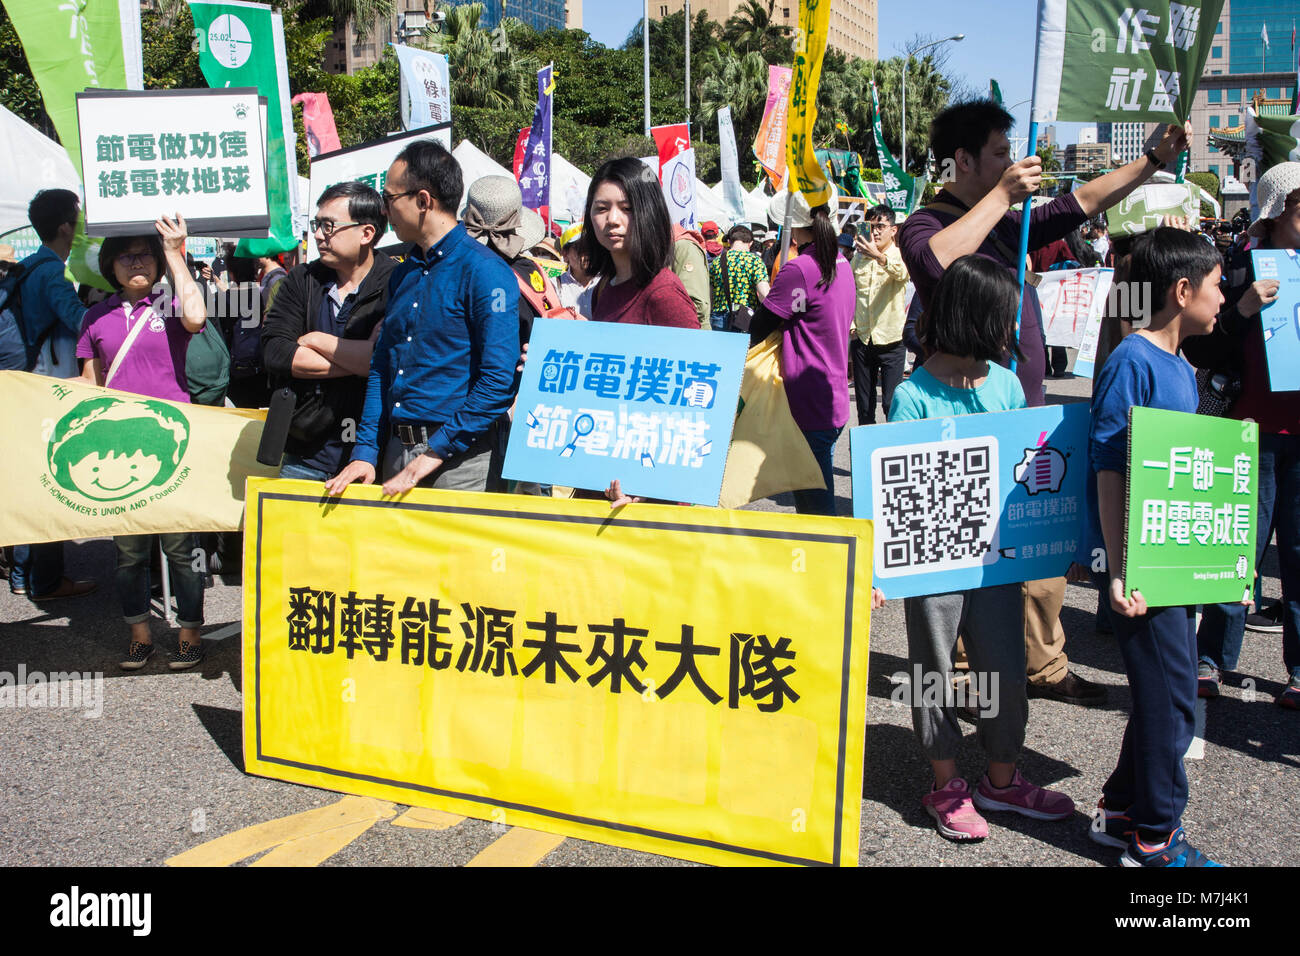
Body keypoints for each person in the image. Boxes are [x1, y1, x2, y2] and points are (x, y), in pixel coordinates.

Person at [899, 101, 1189, 708]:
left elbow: (1083, 202)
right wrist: (1003, 195)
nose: (1016, 164)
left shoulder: (1013, 215)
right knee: (959, 551)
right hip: (959, 423)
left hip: (1022, 408)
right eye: (1001, 153)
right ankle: (958, 673)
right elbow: (935, 262)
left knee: (1037, 545)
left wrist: (1154, 160)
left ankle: (1045, 664)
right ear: (964, 160)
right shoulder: (925, 221)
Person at [890, 254, 1074, 841]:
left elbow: (1024, 474)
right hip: (932, 568)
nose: (1013, 328)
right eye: (1005, 316)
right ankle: (946, 785)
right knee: (933, 670)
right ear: (976, 318)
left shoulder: (1004, 385)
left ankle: (1001, 779)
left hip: (997, 564)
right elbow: (894, 496)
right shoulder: (912, 396)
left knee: (1005, 668)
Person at [1086, 228, 1226, 865]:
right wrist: (1118, 570)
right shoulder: (1134, 361)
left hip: (1173, 562)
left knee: (1159, 692)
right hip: (1143, 568)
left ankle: (1121, 810)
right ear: (1182, 289)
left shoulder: (1177, 365)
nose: (1224, 296)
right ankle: (1156, 838)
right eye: (1218, 283)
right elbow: (1110, 467)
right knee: (1172, 699)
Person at [324, 140, 519, 498]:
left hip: (461, 461)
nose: (384, 210)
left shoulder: (486, 272)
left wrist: (433, 453)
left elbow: (497, 381)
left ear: (423, 200)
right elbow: (383, 364)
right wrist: (366, 451)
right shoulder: (403, 273)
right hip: (398, 451)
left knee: (454, 555)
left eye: (389, 199)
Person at [1185, 161, 1300, 709]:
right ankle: (1212, 658)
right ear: (1275, 216)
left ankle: (1299, 670)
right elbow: (1200, 346)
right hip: (1246, 434)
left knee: (1299, 554)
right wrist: (1243, 309)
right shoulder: (1235, 270)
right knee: (1237, 549)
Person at [76, 215, 209, 670]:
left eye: (145, 253)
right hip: (117, 446)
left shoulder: (172, 305)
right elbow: (87, 386)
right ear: (111, 265)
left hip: (171, 442)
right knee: (129, 551)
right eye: (127, 255)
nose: (138, 262)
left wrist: (174, 252)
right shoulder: (95, 317)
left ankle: (190, 632)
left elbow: (197, 317)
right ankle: (139, 634)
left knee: (179, 546)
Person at [261, 181, 396, 482]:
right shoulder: (301, 279)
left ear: (366, 233)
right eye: (317, 224)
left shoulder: (397, 282)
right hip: (305, 453)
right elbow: (276, 353)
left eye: (328, 226)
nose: (319, 235)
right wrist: (359, 360)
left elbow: (388, 360)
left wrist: (317, 340)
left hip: (373, 456)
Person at [8, 189, 96, 601]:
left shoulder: (26, 268)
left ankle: (22, 574)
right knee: (48, 483)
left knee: (27, 480)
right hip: (46, 387)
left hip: (21, 383)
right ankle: (45, 580)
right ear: (64, 226)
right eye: (76, 219)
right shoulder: (51, 272)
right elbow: (79, 322)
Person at [749, 186, 854, 516]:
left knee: (815, 512)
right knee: (816, 497)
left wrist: (766, 295)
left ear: (791, 225)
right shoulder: (841, 263)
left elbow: (760, 326)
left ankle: (827, 564)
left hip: (808, 402)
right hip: (831, 397)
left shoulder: (800, 269)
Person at [582, 157, 699, 329]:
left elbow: (695, 354)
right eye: (602, 208)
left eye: (627, 208)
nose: (612, 220)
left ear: (650, 213)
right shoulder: (604, 286)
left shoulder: (664, 293)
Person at [849, 204, 909, 424]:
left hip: (892, 339)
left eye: (880, 226)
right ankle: (867, 453)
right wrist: (852, 326)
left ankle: (892, 450)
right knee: (864, 406)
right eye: (871, 226)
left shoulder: (899, 255)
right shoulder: (858, 259)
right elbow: (850, 293)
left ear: (893, 230)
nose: (875, 231)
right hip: (863, 338)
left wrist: (879, 257)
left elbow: (902, 274)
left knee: (891, 404)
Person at [707, 224, 769, 331]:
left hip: (718, 317)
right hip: (743, 319)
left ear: (730, 242)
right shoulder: (754, 261)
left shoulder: (717, 261)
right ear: (750, 243)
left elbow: (710, 295)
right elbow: (764, 293)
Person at [557, 220, 596, 317]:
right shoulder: (556, 286)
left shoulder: (607, 283)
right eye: (581, 248)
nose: (588, 253)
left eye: (592, 247)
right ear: (565, 254)